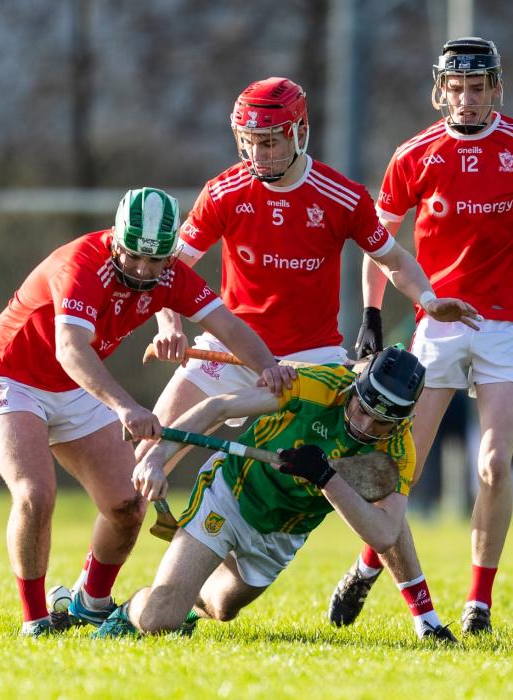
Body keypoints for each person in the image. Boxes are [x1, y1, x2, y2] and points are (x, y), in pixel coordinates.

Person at [329, 37, 513, 636]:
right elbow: (380, 246)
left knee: (493, 465)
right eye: (456, 88)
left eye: (477, 87)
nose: (466, 99)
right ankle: (366, 565)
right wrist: (373, 317)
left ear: (495, 89)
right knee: (403, 466)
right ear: (441, 89)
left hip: (508, 328)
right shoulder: (415, 154)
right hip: (438, 326)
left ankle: (478, 604)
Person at [0, 187, 295, 637]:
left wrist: (269, 369)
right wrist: (124, 405)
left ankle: (91, 602)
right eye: (133, 257)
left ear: (170, 255)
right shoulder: (81, 265)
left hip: (74, 387)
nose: (143, 270)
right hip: (10, 377)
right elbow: (69, 350)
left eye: (155, 261)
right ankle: (35, 620)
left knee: (128, 505)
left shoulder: (171, 276)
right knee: (34, 494)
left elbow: (228, 326)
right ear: (117, 240)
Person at [142, 75, 478, 495]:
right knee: (142, 459)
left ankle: (376, 564)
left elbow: (394, 261)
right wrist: (168, 325)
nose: (256, 155)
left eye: (269, 143)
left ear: (300, 132)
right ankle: (94, 564)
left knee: (361, 492)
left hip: (311, 359)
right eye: (248, 141)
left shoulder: (342, 197)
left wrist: (428, 300)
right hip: (229, 349)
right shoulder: (224, 192)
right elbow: (167, 270)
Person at [93, 346, 459, 643]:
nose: (364, 426)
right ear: (355, 389)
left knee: (221, 608)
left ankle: (181, 599)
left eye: (381, 423)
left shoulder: (398, 450)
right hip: (230, 495)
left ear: (401, 421)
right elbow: (216, 407)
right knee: (160, 620)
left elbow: (383, 533)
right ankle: (129, 611)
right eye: (362, 410)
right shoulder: (317, 386)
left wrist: (326, 478)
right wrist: (156, 458)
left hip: (282, 533)